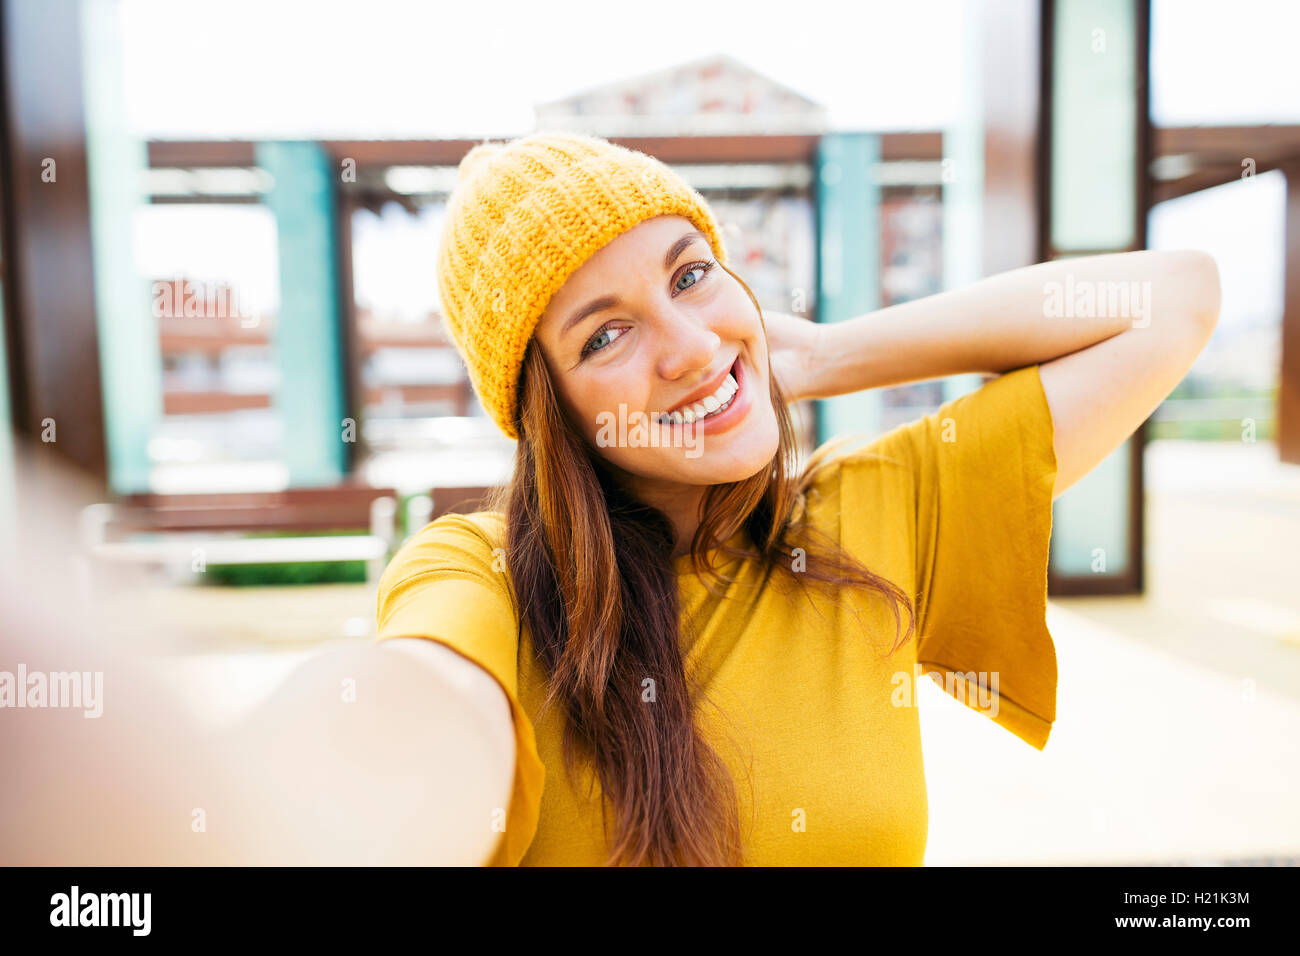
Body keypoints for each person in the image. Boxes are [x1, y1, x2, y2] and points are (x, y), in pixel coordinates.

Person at [371, 131, 1221, 866]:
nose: (692, 347)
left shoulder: (873, 511)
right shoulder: (479, 576)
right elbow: (398, 714)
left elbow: (1175, 300)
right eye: (605, 333)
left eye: (691, 275)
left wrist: (824, 357)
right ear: (550, 411)